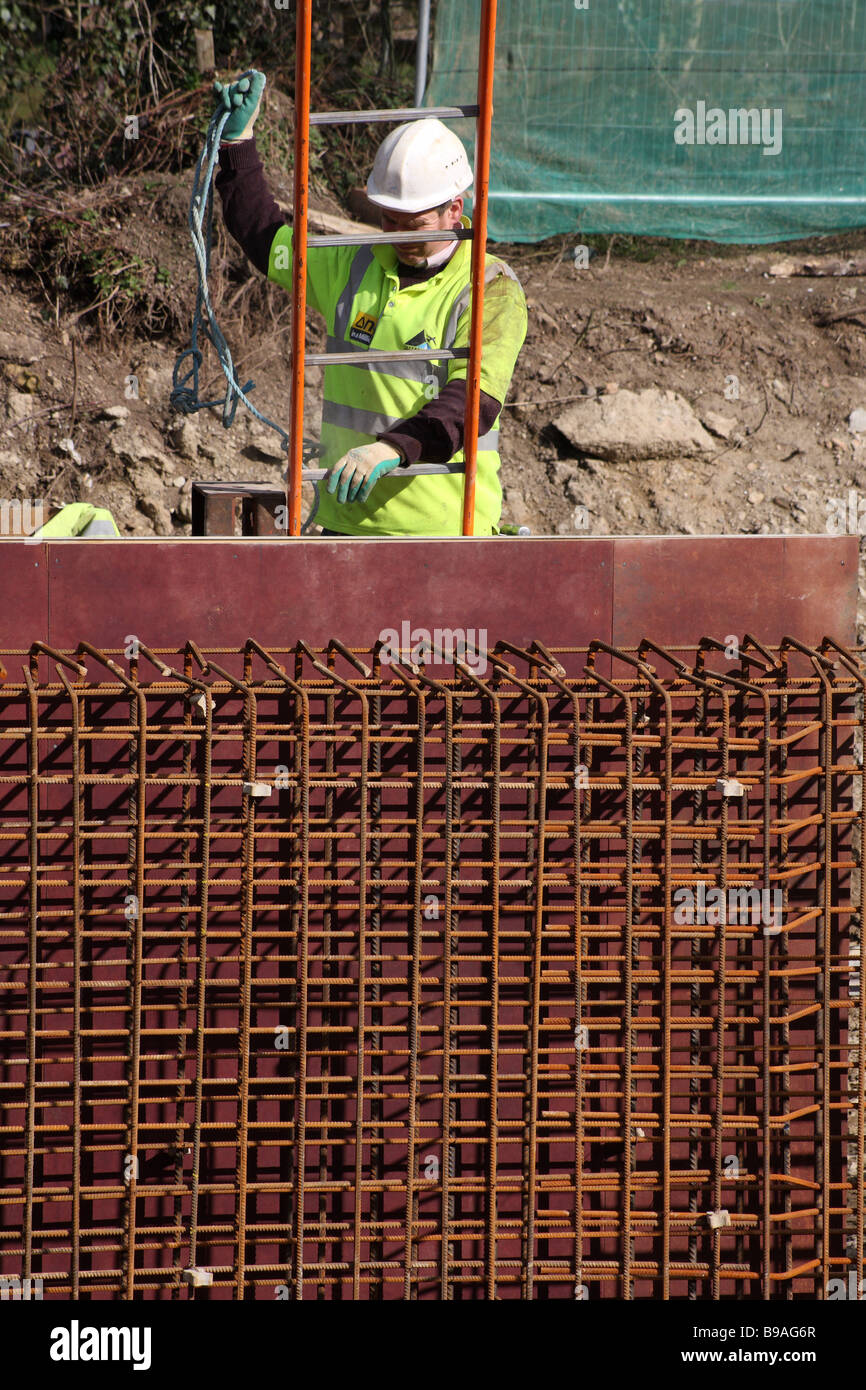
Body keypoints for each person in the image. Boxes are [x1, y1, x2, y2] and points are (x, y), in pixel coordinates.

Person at [213, 70, 527, 537]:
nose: (397, 235)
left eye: (412, 222)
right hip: (347, 524)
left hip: (446, 534)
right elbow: (267, 239)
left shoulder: (490, 286)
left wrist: (390, 449)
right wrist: (237, 145)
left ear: (454, 209)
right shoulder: (353, 266)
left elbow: (472, 402)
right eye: (388, 219)